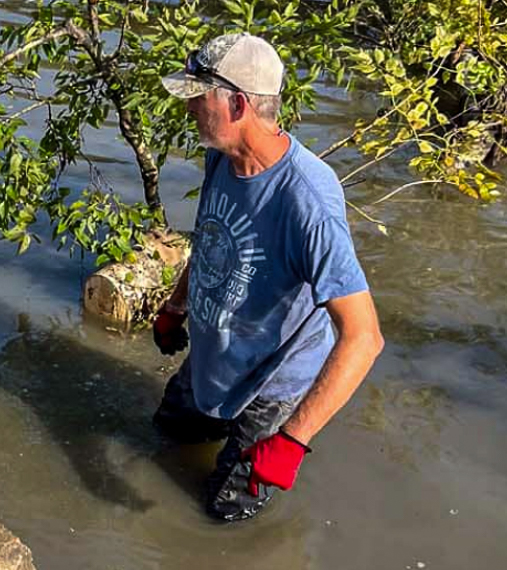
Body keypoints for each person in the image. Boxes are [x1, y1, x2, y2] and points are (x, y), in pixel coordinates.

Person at [152, 33, 384, 522]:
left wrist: (293, 442)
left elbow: (364, 337)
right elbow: (213, 237)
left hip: (273, 381)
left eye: (200, 96)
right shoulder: (221, 154)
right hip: (216, 353)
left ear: (237, 103)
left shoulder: (308, 203)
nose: (190, 107)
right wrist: (176, 307)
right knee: (166, 435)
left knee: (221, 512)